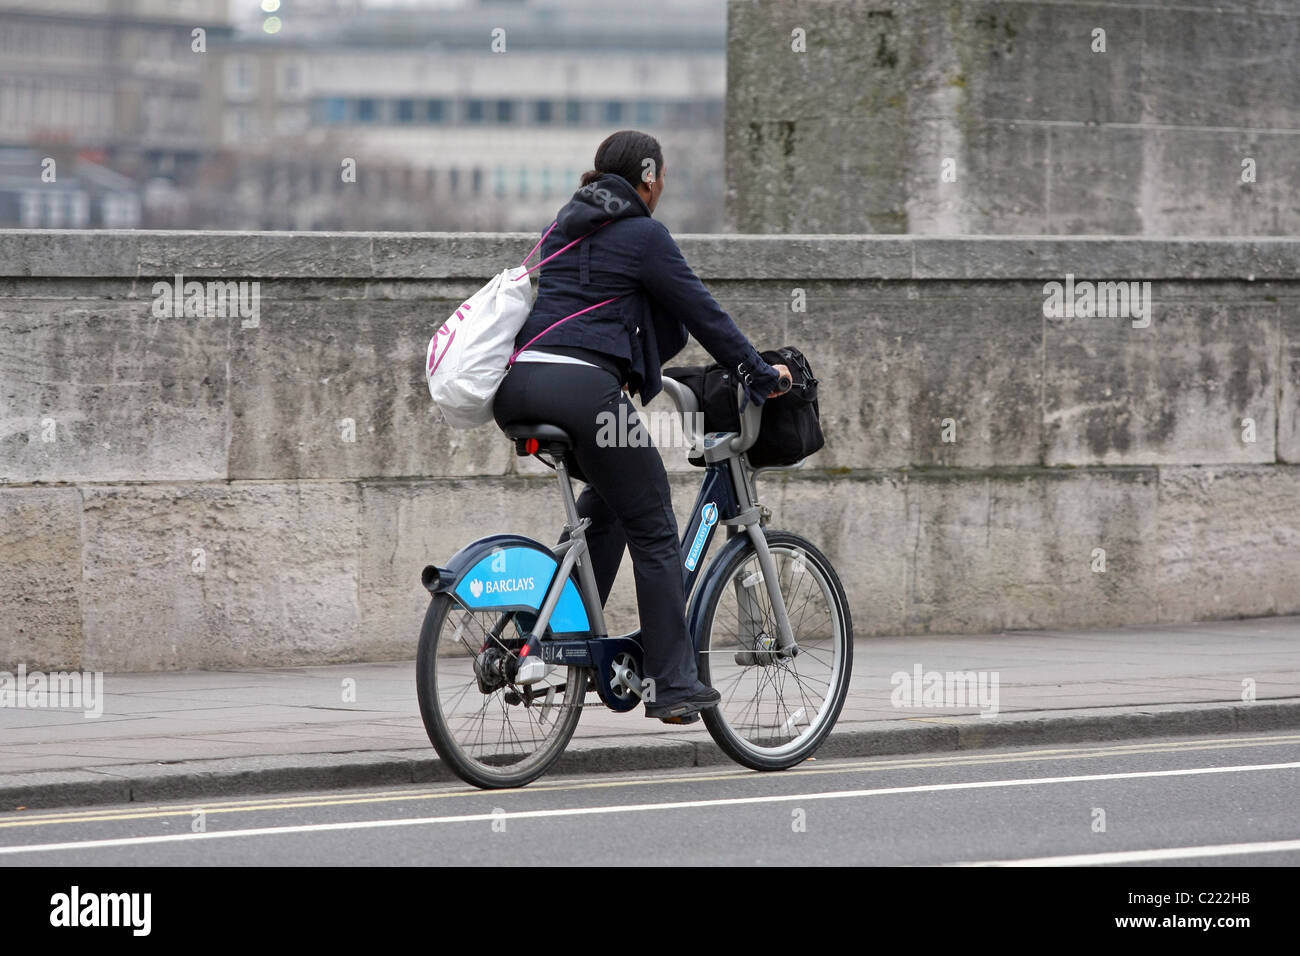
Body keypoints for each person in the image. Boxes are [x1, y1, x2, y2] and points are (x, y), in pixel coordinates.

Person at [492, 130, 789, 722]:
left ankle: (553, 640)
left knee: (607, 503)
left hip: (518, 384)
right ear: (649, 176)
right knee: (654, 524)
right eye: (662, 179)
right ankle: (674, 683)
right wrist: (757, 374)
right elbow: (704, 313)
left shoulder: (564, 226)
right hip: (582, 391)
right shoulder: (644, 234)